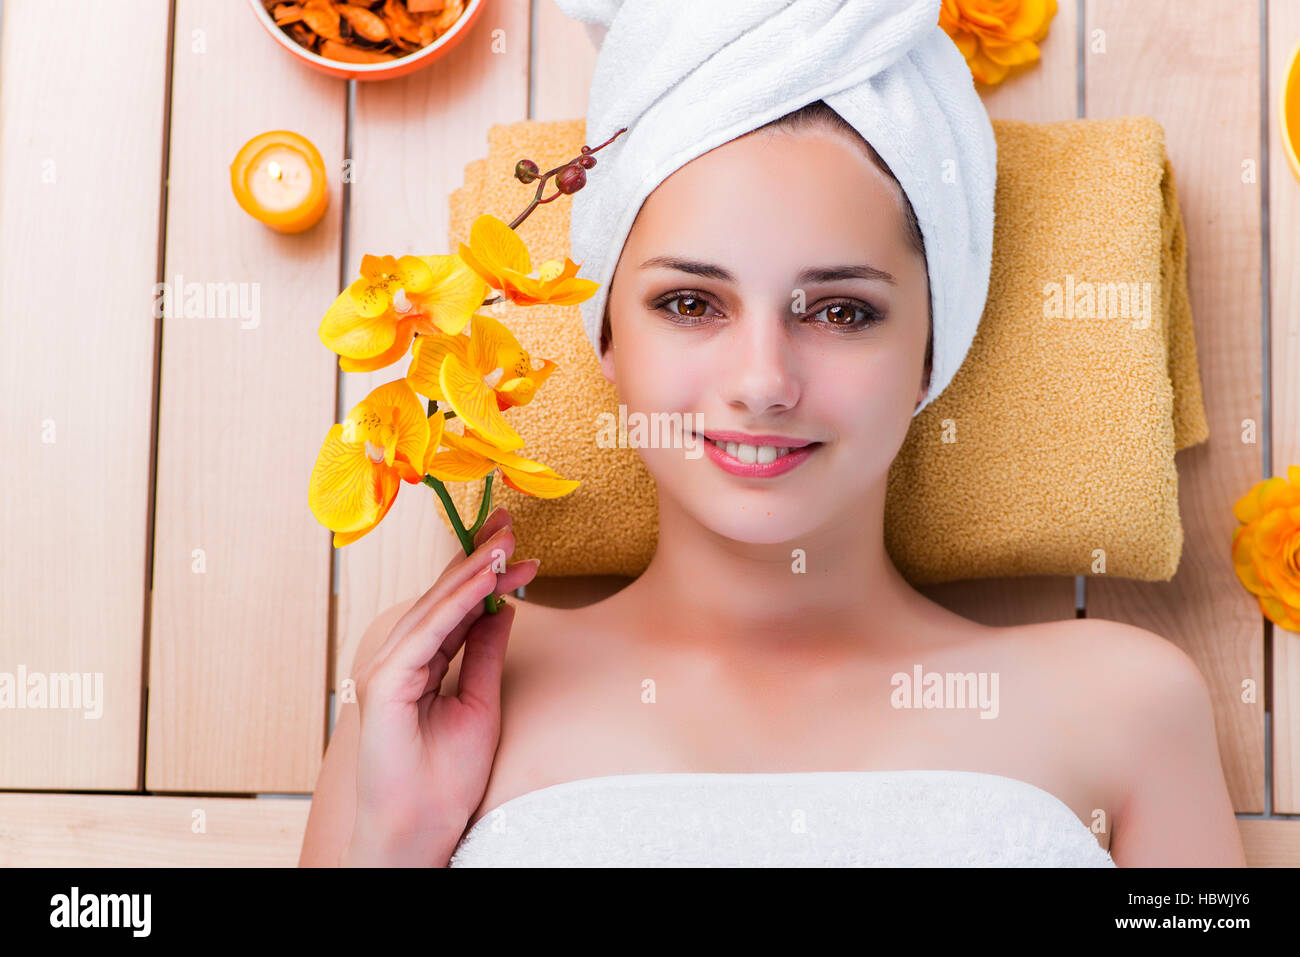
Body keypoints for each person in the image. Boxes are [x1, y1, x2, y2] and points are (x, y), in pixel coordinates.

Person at [299, 0, 1246, 867]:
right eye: (689, 302)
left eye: (839, 312)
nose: (762, 382)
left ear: (932, 349)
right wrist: (394, 845)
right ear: (608, 340)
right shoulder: (435, 690)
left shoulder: (1129, 707)